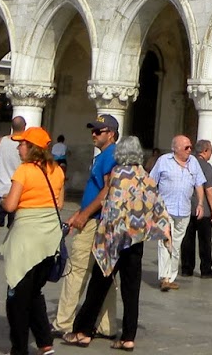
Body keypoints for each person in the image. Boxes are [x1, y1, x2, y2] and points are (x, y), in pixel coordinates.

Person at [63, 135, 173, 351]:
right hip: (136, 240)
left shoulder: (117, 174)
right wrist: (164, 231)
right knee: (132, 290)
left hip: (114, 240)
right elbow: (157, 206)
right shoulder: (146, 176)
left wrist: (103, 234)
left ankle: (82, 332)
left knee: (98, 285)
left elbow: (112, 207)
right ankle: (128, 337)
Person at [1, 125, 67, 355]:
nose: (19, 147)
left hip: (26, 240)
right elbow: (59, 203)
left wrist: (1, 202)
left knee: (17, 296)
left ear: (32, 148)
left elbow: (10, 205)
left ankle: (19, 348)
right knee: (35, 291)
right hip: (49, 239)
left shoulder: (24, 171)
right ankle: (45, 342)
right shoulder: (57, 170)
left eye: (22, 143)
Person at [56, 115, 120, 340]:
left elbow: (107, 191)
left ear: (110, 133)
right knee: (104, 273)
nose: (93, 134)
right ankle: (106, 325)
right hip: (97, 218)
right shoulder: (106, 155)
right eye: (93, 131)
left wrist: (85, 214)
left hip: (95, 220)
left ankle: (64, 321)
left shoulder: (110, 156)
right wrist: (78, 212)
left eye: (98, 131)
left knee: (78, 269)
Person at [148, 134, 205, 291]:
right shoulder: (164, 161)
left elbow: (199, 184)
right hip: (165, 209)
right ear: (176, 148)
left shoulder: (193, 163)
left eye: (190, 147)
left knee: (176, 244)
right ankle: (164, 278)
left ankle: (171, 276)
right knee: (164, 241)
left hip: (184, 211)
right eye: (186, 147)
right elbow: (152, 182)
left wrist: (200, 203)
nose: (189, 150)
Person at [0, 117, 28, 268]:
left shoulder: (1, 141)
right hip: (18, 189)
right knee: (16, 222)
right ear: (25, 126)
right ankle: (12, 250)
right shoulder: (25, 145)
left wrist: (3, 165)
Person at [178, 137, 212, 280]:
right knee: (205, 241)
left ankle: (186, 268)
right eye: (211, 151)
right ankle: (206, 269)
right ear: (205, 151)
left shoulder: (187, 163)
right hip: (204, 210)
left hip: (187, 208)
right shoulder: (206, 166)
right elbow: (209, 189)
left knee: (187, 240)